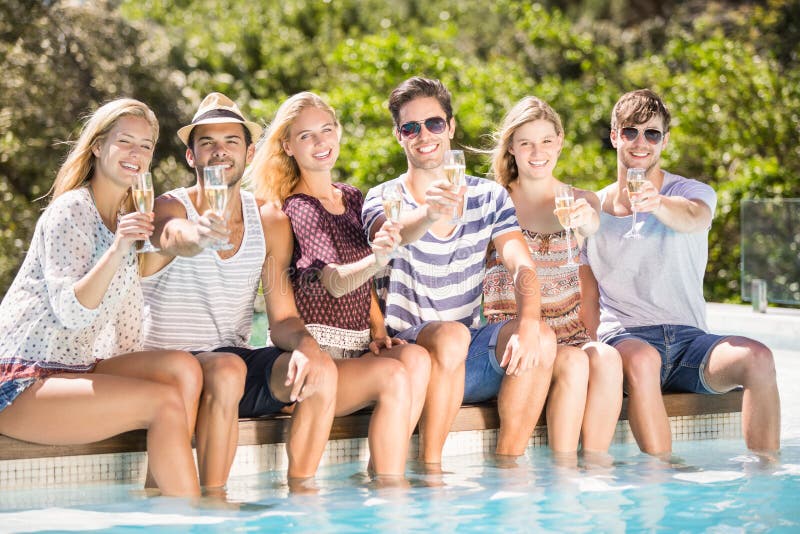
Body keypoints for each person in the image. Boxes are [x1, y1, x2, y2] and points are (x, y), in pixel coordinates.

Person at [0, 99, 201, 497]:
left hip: (75, 368)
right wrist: (119, 247)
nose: (135, 153)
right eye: (125, 141)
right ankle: (190, 516)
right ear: (97, 146)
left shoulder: (125, 217)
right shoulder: (70, 210)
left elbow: (126, 324)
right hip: (21, 381)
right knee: (163, 402)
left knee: (184, 370)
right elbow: (72, 313)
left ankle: (161, 499)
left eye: (145, 145)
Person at [140, 93, 337, 490]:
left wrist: (306, 346)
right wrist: (196, 235)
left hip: (232, 364)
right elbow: (170, 235)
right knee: (227, 369)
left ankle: (302, 497)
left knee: (320, 370)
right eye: (207, 142)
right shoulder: (169, 207)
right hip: (167, 367)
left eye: (231, 141)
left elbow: (282, 317)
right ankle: (215, 502)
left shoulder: (268, 219)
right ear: (191, 156)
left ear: (248, 153)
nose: (220, 151)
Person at [362, 77, 558, 467]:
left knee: (540, 335)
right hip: (407, 354)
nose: (424, 135)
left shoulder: (489, 197)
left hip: (466, 357)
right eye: (411, 127)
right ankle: (431, 470)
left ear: (450, 127)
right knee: (451, 335)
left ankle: (508, 469)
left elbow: (521, 264)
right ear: (399, 136)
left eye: (434, 123)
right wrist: (429, 213)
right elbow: (393, 235)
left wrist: (528, 324)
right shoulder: (383, 196)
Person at [582, 88, 780, 455]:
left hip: (690, 342)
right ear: (614, 136)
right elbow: (588, 294)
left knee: (759, 358)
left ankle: (765, 475)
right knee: (643, 360)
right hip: (627, 340)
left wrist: (656, 203)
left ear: (665, 141)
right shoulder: (594, 211)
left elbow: (694, 217)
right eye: (630, 131)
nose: (641, 142)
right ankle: (663, 474)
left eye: (652, 134)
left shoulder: (690, 191)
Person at [249, 92, 430, 478]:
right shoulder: (291, 209)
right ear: (287, 146)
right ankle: (390, 487)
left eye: (327, 130)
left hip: (358, 351)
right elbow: (333, 281)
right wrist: (377, 259)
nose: (320, 142)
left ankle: (382, 475)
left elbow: (363, 285)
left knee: (416, 359)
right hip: (315, 358)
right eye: (306, 136)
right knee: (394, 376)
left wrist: (378, 330)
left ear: (338, 132)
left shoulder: (352, 197)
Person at [482, 96, 623, 455]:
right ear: (511, 147)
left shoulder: (580, 200)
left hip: (570, 332)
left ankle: (596, 465)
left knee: (607, 358)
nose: (537, 152)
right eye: (526, 143)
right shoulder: (494, 201)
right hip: (517, 334)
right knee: (574, 363)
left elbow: (590, 224)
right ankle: (563, 470)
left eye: (546, 140)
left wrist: (584, 220)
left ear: (559, 141)